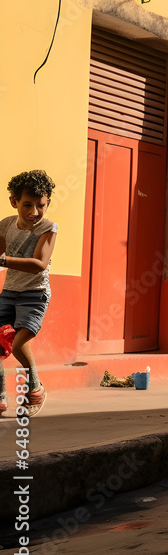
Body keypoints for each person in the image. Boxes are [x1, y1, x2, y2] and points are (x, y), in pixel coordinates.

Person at [0, 170, 58, 418]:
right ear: (14, 201)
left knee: (18, 344)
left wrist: (4, 260)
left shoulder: (48, 228)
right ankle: (1, 398)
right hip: (9, 292)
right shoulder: (6, 225)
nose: (34, 211)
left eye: (40, 205)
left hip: (35, 294)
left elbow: (39, 264)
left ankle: (35, 388)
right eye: (27, 205)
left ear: (47, 203)